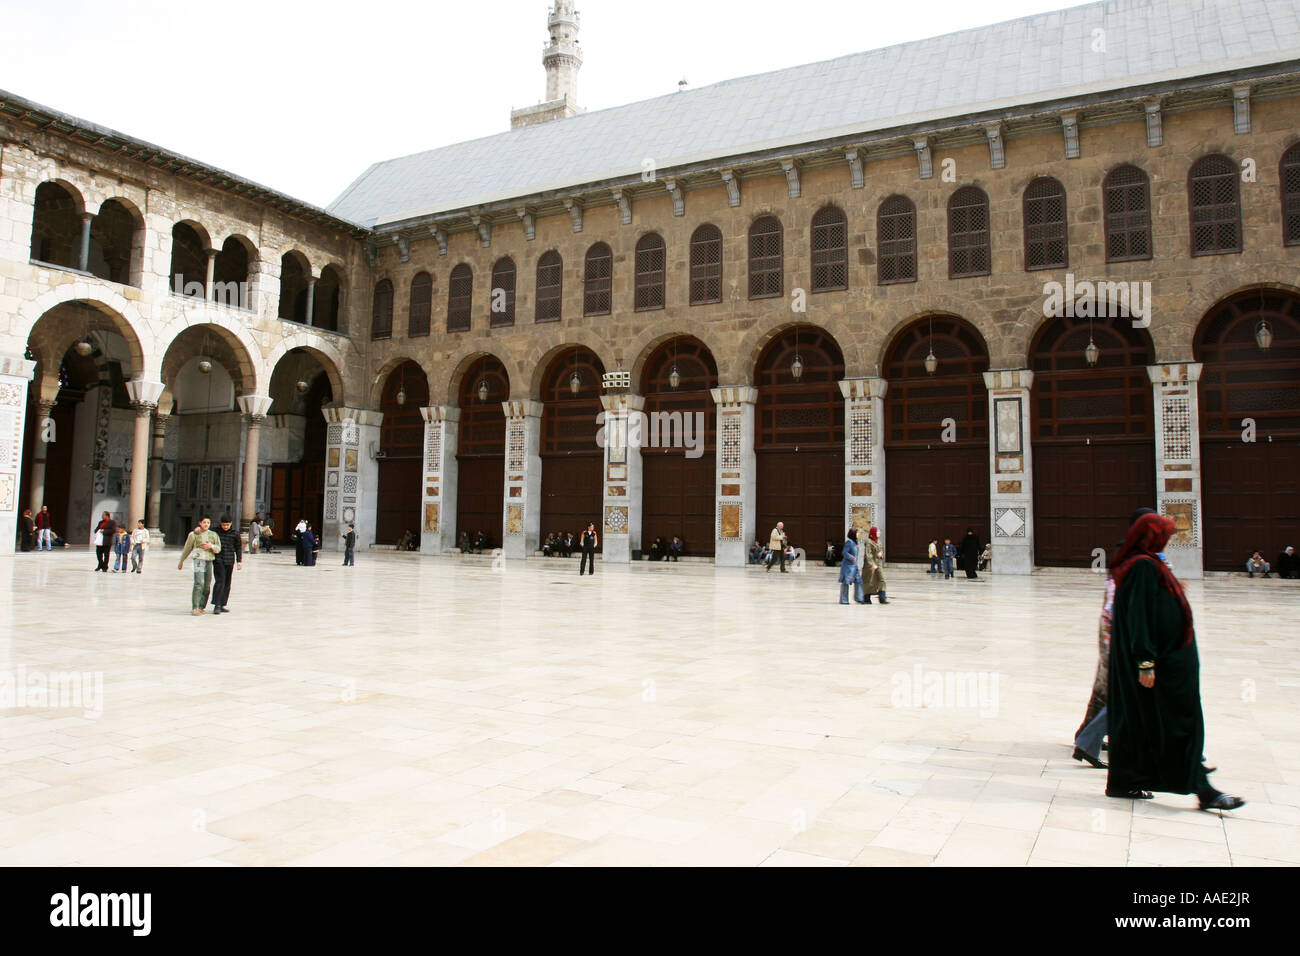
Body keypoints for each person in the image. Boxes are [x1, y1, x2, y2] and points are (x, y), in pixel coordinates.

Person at [1105, 513, 1244, 811]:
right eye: (1164, 534)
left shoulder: (1147, 564)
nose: (1167, 539)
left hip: (1168, 661)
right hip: (1159, 665)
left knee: (1142, 723)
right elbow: (1139, 616)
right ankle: (1203, 788)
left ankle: (1126, 780)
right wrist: (1145, 663)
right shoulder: (1142, 565)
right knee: (1177, 724)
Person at [1074, 507, 1156, 771]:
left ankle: (1087, 736)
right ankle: (1089, 739)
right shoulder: (1136, 554)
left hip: (1112, 628)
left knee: (1105, 686)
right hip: (1119, 630)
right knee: (1121, 689)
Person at [177, 517, 221, 616]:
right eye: (204, 522)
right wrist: (181, 561)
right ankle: (195, 607)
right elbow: (187, 548)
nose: (206, 524)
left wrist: (211, 546)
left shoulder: (213, 535)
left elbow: (218, 548)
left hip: (209, 560)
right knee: (199, 582)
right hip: (198, 560)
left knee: (207, 585)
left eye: (208, 522)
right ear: (200, 523)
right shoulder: (193, 534)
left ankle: (202, 606)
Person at [839, 528, 868, 605]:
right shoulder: (849, 542)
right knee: (846, 583)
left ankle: (859, 598)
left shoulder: (855, 543)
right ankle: (844, 600)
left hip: (854, 567)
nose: (858, 534)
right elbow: (844, 552)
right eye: (857, 533)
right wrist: (851, 557)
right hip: (848, 567)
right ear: (853, 534)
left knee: (859, 581)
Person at [862, 526, 888, 604]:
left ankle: (882, 598)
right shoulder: (869, 542)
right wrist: (872, 564)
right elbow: (868, 554)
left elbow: (880, 551)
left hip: (878, 563)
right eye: (878, 531)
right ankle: (866, 598)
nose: (879, 533)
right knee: (869, 581)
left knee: (882, 579)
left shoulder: (878, 541)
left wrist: (881, 554)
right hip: (870, 565)